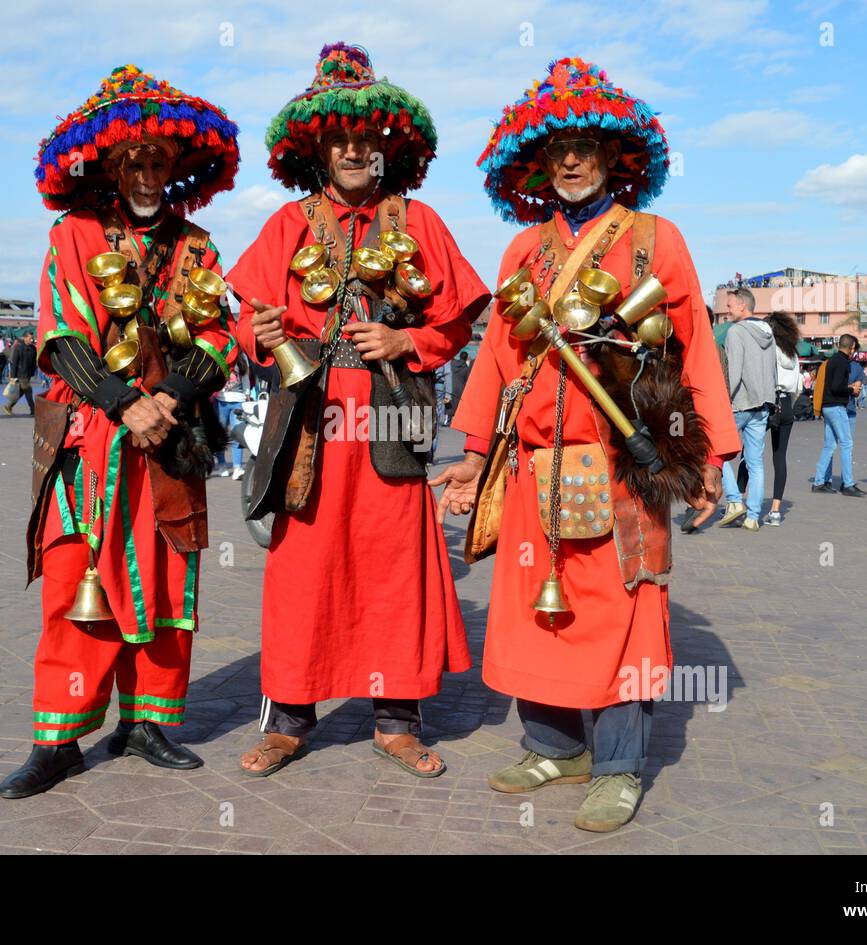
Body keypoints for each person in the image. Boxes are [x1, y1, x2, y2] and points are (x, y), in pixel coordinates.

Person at [437, 57, 737, 832]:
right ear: (533, 161)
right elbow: (496, 365)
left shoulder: (655, 241)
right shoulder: (519, 255)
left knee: (627, 613)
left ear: (615, 155)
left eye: (587, 143)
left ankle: (617, 766)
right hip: (535, 468)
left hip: (625, 464)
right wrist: (473, 457)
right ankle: (552, 744)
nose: (571, 157)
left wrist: (706, 461)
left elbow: (694, 348)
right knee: (540, 611)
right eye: (557, 146)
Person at [228, 43, 487, 779]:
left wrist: (408, 336)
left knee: (392, 561)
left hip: (390, 413)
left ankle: (397, 718)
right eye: (338, 139)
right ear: (317, 147)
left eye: (364, 139)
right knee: (302, 563)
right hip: (309, 416)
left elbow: (463, 320)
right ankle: (288, 718)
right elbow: (245, 316)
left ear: (384, 147)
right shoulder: (287, 223)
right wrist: (262, 333)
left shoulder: (419, 220)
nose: (351, 149)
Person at [0, 64, 240, 799]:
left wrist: (164, 398)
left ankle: (147, 722)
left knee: (171, 579)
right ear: (109, 160)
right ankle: (60, 738)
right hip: (90, 440)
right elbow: (59, 332)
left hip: (168, 439)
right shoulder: (72, 233)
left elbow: (219, 337)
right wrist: (120, 400)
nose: (145, 171)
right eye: (132, 159)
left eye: (158, 159)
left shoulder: (196, 245)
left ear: (175, 165)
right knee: (76, 580)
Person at [715, 287, 776, 530]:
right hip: (763, 404)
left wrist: (722, 401)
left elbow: (734, 372)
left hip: (739, 403)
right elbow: (773, 370)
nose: (727, 311)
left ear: (742, 305)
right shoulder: (768, 331)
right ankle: (753, 517)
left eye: (729, 306)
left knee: (715, 450)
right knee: (755, 463)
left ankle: (733, 499)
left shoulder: (736, 332)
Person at [736, 310, 800, 525]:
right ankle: (775, 511)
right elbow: (798, 387)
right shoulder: (793, 354)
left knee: (750, 453)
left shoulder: (769, 350)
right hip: (787, 406)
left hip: (768, 403)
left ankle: (738, 500)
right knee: (779, 458)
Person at [812, 333, 866, 496]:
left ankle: (819, 482)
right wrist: (851, 389)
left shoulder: (831, 361)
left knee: (829, 445)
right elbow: (837, 387)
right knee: (846, 443)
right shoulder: (843, 362)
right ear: (852, 348)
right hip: (836, 407)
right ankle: (848, 484)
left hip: (827, 406)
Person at [212, 353, 251, 479]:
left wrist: (247, 395)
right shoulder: (219, 353)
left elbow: (245, 378)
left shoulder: (242, 357)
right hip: (221, 400)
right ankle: (222, 465)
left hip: (238, 401)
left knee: (237, 434)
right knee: (220, 436)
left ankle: (237, 468)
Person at [2, 330, 37, 415]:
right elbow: (14, 363)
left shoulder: (33, 348)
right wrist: (13, 376)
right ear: (25, 338)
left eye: (32, 338)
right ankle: (33, 410)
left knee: (20, 392)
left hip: (28, 373)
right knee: (28, 391)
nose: (32, 340)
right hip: (21, 374)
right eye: (30, 338)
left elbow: (33, 362)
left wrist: (33, 372)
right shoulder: (19, 348)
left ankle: (8, 406)